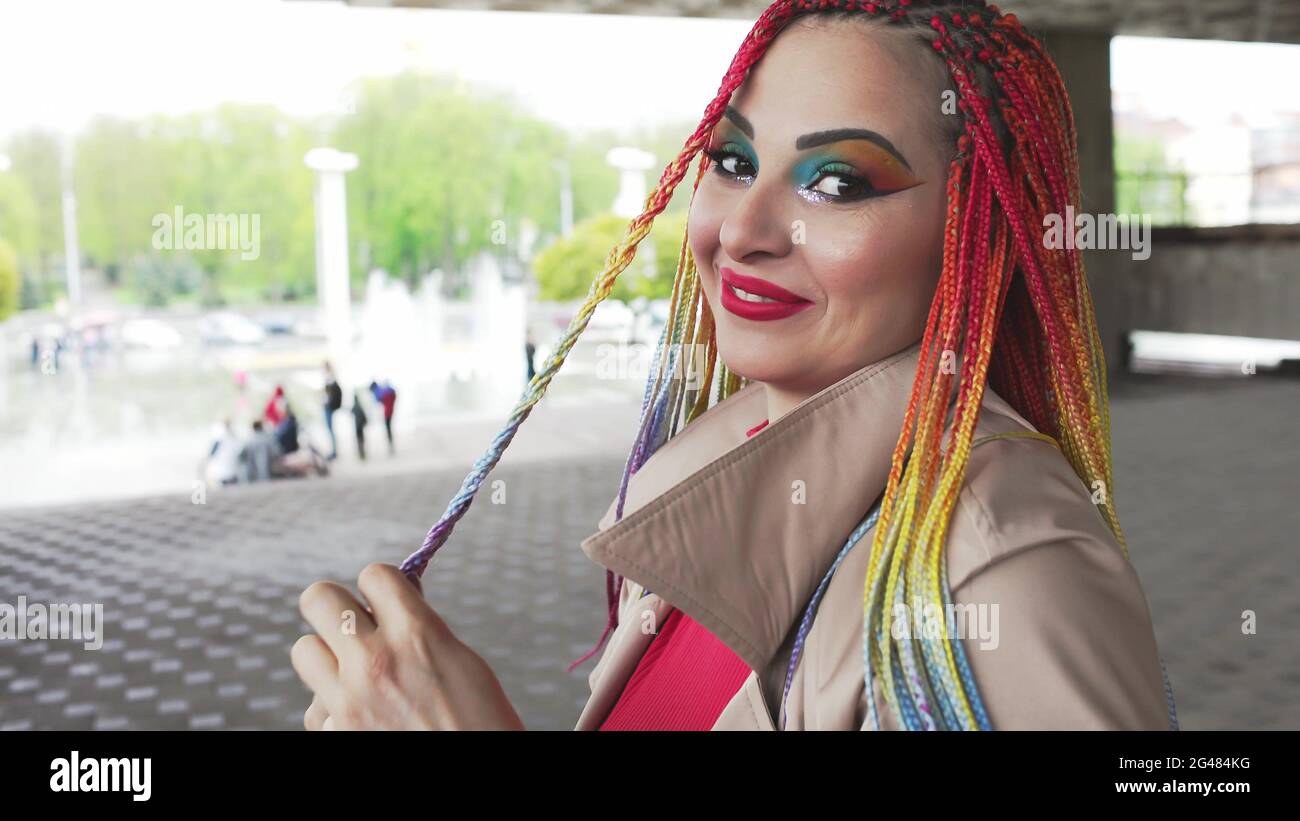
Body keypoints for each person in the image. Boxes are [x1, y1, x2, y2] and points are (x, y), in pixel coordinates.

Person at [293, 0, 1176, 732]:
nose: (744, 232)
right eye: (732, 160)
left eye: (835, 182)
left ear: (971, 233)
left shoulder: (998, 563)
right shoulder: (705, 484)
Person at [203, 419, 246, 487]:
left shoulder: (219, 439)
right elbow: (241, 453)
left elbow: (211, 454)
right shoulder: (234, 438)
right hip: (232, 470)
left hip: (223, 471)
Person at [368, 380, 397, 455]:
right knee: (388, 428)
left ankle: (390, 445)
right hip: (389, 411)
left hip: (387, 412)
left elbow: (378, 400)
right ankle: (390, 445)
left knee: (388, 429)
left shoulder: (380, 392)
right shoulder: (385, 391)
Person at [322, 362, 343, 460]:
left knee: (331, 431)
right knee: (331, 431)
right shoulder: (332, 378)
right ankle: (334, 451)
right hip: (330, 407)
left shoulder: (329, 378)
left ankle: (334, 451)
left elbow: (328, 395)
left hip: (329, 408)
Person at [351, 390, 369, 461]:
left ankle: (361, 453)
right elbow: (364, 416)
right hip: (360, 426)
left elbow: (350, 412)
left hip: (357, 426)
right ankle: (362, 453)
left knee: (359, 440)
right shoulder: (360, 406)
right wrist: (365, 422)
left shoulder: (354, 406)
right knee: (361, 439)